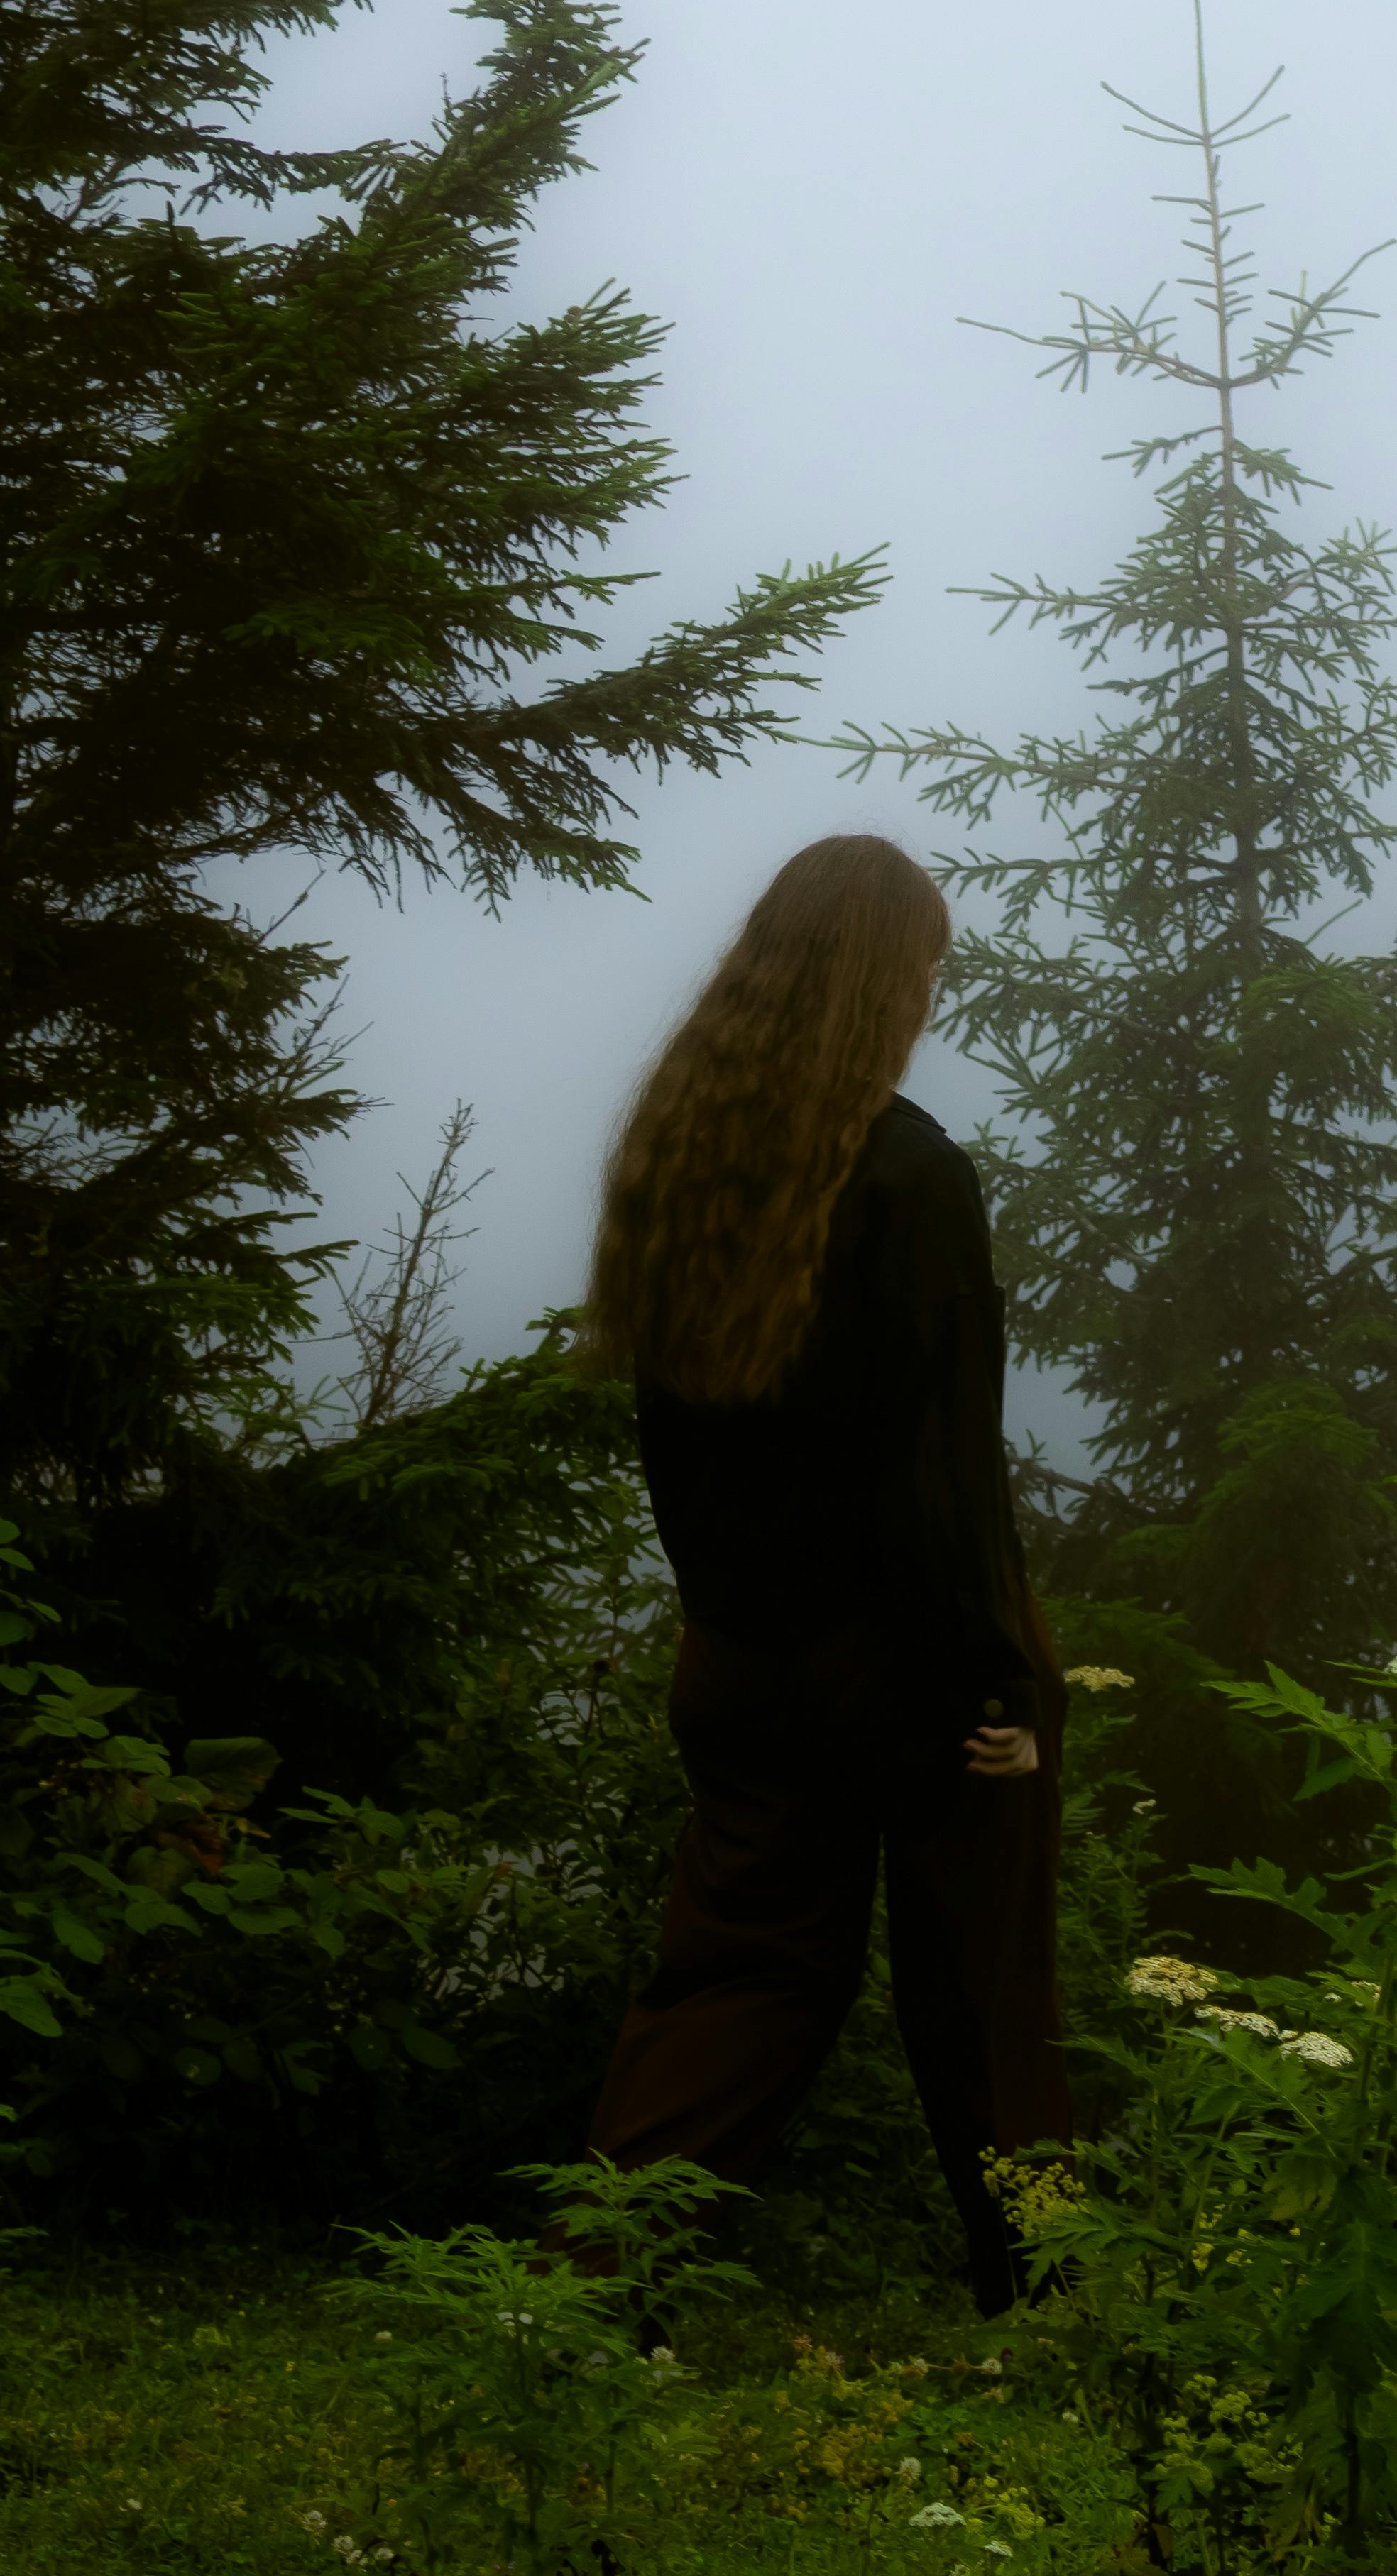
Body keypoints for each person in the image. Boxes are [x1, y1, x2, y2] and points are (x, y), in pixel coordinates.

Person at [571, 832, 1073, 2317]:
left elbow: (674, 1431)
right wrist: (997, 1674)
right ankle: (1055, 2303)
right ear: (885, 982)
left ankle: (592, 2292)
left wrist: (724, 1619)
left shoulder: (684, 1147)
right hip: (913, 1660)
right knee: (987, 1997)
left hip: (741, 1653)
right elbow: (943, 1463)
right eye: (924, 970)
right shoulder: (911, 1172)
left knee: (731, 1985)